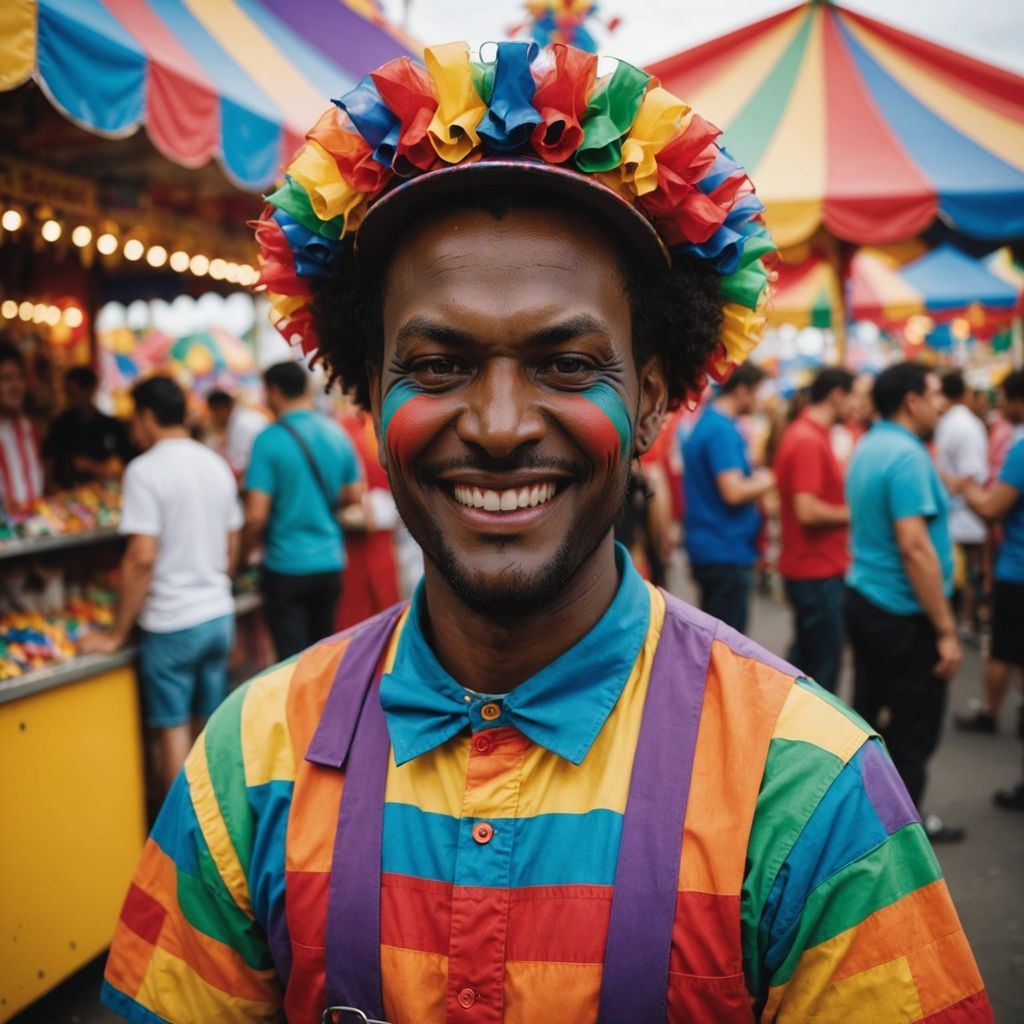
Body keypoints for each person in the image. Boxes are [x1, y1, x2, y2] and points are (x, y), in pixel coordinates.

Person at [102, 42, 991, 1024]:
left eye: (567, 365)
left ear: (652, 399)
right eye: (436, 365)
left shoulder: (812, 790)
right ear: (366, 392)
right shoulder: (251, 759)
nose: (497, 425)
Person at [80, 377, 241, 795]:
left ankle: (178, 846)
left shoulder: (144, 470)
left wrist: (116, 635)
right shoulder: (214, 462)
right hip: (217, 615)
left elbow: (140, 558)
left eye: (133, 417)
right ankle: (215, 833)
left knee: (172, 732)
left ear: (147, 416)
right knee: (208, 730)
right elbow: (232, 541)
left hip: (172, 625)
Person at [844, 362, 965, 843]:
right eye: (936, 394)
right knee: (913, 733)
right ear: (912, 400)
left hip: (867, 600)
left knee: (869, 723)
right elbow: (915, 546)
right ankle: (903, 841)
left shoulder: (871, 444)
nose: (942, 404)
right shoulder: (907, 454)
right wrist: (946, 630)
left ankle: (861, 829)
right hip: (901, 611)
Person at [242, 361, 362, 658]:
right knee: (323, 657)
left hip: (286, 566)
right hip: (330, 562)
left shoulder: (268, 440)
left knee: (292, 663)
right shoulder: (335, 432)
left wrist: (242, 556)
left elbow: (256, 515)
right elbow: (354, 494)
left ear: (273, 391)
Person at [773, 367, 854, 693]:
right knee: (821, 668)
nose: (858, 405)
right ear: (837, 395)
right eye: (854, 397)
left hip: (813, 568)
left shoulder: (808, 434)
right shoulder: (807, 438)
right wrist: (856, 513)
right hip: (815, 570)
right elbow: (808, 510)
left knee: (807, 662)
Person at [955, 369, 1024, 749]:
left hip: (1017, 566)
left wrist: (965, 486)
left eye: (1004, 398)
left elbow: (992, 507)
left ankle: (991, 713)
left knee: (1003, 648)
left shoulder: (1021, 449)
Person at [682, 362, 774, 632]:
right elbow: (733, 491)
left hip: (716, 547)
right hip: (725, 549)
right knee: (726, 646)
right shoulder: (721, 429)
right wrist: (767, 480)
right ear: (742, 390)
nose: (759, 401)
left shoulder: (711, 423)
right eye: (757, 392)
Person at [935, 369, 989, 643]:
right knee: (968, 576)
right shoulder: (965, 425)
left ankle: (963, 622)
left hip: (958, 516)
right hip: (964, 518)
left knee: (964, 577)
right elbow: (970, 477)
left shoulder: (950, 423)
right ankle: (965, 623)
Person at [42, 365, 132, 490]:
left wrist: (88, 465)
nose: (71, 400)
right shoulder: (60, 424)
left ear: (90, 390)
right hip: (66, 495)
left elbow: (119, 468)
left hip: (104, 495)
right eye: (68, 394)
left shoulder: (111, 426)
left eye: (74, 394)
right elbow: (48, 463)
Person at [0, 337, 43, 512]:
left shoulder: (27, 427)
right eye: (6, 378)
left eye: (20, 377)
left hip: (32, 533)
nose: (16, 385)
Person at [205, 388, 269, 479]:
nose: (212, 419)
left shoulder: (242, 424)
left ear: (222, 409)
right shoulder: (242, 418)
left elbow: (239, 465)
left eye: (213, 414)